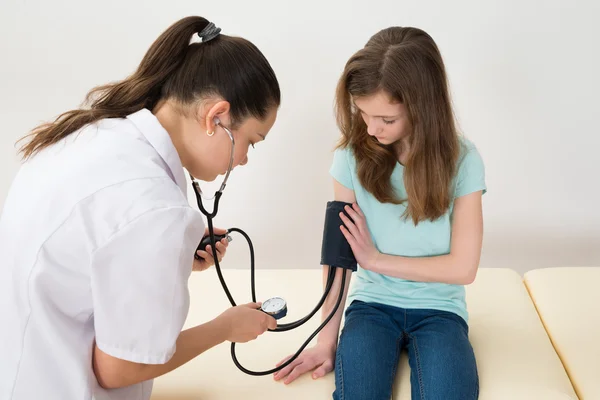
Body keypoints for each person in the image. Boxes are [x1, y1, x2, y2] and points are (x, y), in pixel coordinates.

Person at [0, 16, 279, 400]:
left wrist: (170, 257)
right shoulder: (154, 209)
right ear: (217, 118)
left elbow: (90, 252)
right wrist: (225, 328)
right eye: (252, 141)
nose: (245, 159)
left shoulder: (94, 134)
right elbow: (118, 370)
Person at [274, 26, 485, 400]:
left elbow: (462, 268)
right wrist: (327, 341)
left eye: (386, 120)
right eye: (363, 113)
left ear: (424, 107)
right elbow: (338, 260)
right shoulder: (350, 158)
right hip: (371, 308)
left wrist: (375, 260)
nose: (372, 128)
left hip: (440, 311)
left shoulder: (463, 160)